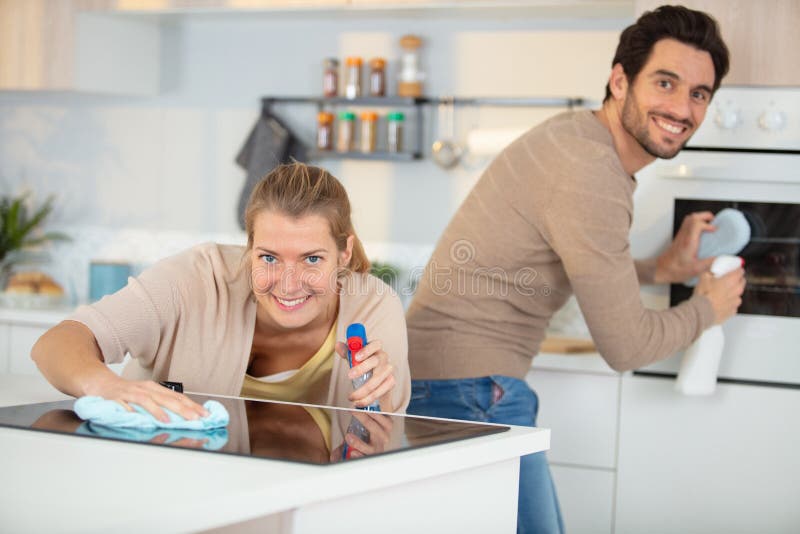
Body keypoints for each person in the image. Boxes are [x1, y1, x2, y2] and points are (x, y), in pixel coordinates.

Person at [405, 6, 744, 534]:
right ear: (619, 80)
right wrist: (709, 309)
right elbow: (626, 346)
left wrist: (660, 268)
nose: (682, 107)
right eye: (666, 82)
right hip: (469, 392)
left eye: (699, 93)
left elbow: (579, 265)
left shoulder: (580, 141)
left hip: (448, 384)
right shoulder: (591, 172)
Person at [32, 162, 410, 426]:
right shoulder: (195, 278)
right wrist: (108, 386)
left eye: (312, 258)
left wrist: (378, 402)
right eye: (269, 257)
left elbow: (383, 432)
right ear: (249, 248)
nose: (289, 282)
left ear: (344, 252)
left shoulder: (373, 306)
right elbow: (57, 343)